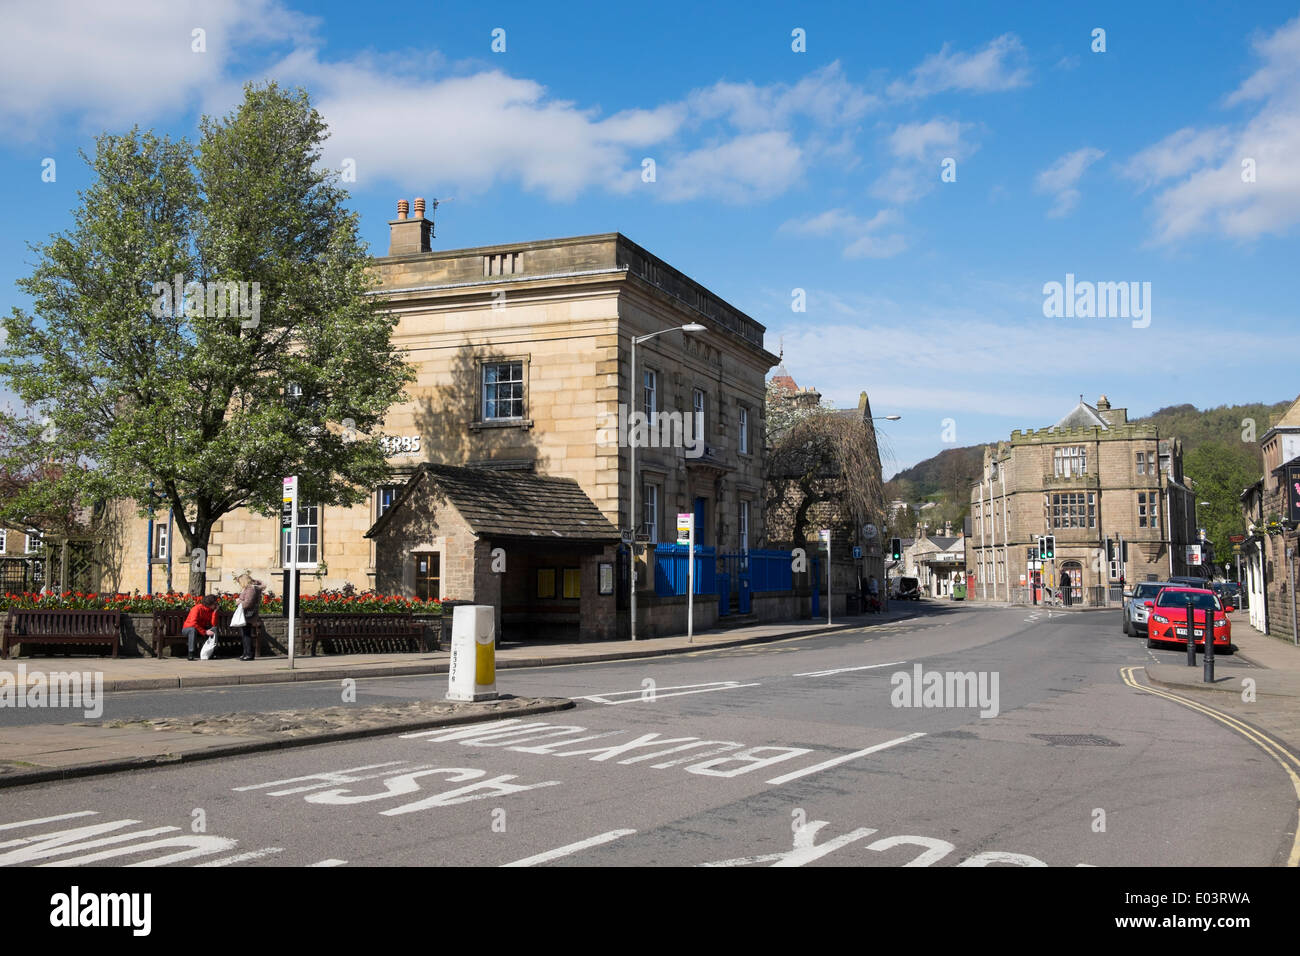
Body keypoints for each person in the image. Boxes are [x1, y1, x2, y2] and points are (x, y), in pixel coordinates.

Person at [235, 571, 263, 661]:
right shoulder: (249, 588)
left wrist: (239, 602)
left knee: (247, 634)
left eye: (240, 582)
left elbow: (248, 603)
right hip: (246, 614)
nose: (239, 584)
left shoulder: (251, 589)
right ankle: (245, 653)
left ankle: (249, 654)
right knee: (244, 634)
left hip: (248, 614)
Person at [182, 594, 220, 661]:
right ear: (210, 603)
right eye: (215, 603)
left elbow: (213, 624)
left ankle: (213, 652)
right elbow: (193, 623)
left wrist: (215, 612)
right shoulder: (197, 608)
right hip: (188, 629)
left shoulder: (211, 610)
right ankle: (191, 653)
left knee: (214, 629)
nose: (217, 604)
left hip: (200, 629)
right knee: (192, 630)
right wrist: (205, 632)